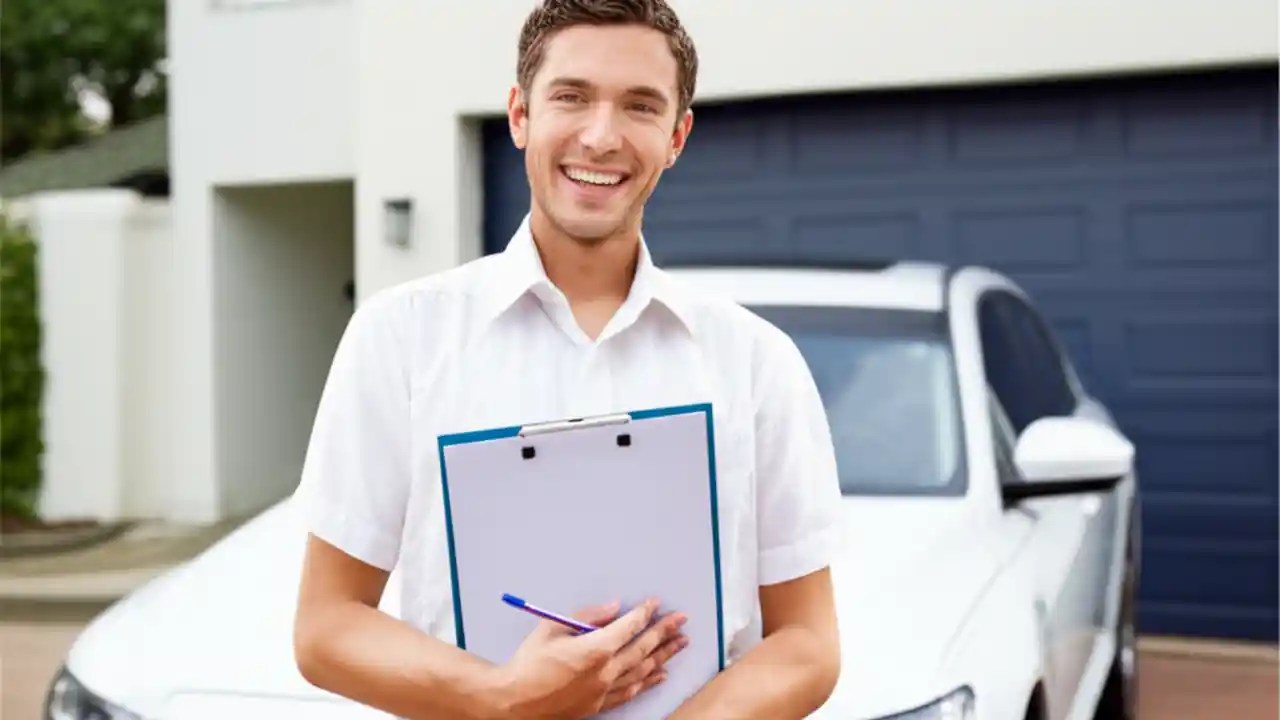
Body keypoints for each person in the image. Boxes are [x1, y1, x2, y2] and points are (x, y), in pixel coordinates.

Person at [291, 1, 843, 717]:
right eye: (571, 97)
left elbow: (807, 641)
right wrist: (504, 697)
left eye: (640, 107)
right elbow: (327, 627)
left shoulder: (755, 362)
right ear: (520, 115)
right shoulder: (400, 337)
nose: (601, 135)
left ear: (676, 136)